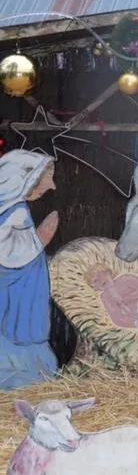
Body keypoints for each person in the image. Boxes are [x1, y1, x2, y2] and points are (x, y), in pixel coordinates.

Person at [0, 150, 59, 390]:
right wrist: (40, 240)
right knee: (20, 336)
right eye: (43, 184)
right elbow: (7, 252)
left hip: (23, 285)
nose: (51, 186)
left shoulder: (14, 207)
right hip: (18, 287)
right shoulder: (15, 211)